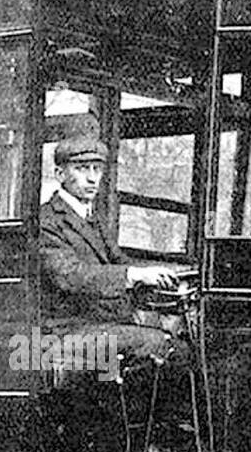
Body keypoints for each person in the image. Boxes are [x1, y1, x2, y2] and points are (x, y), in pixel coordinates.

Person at [38, 134, 185, 365]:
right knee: (161, 345)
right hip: (64, 332)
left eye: (97, 169)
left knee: (180, 341)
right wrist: (132, 275)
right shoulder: (46, 221)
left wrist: (161, 276)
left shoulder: (91, 219)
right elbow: (70, 276)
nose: (92, 178)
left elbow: (118, 261)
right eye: (82, 168)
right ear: (60, 174)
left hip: (99, 326)